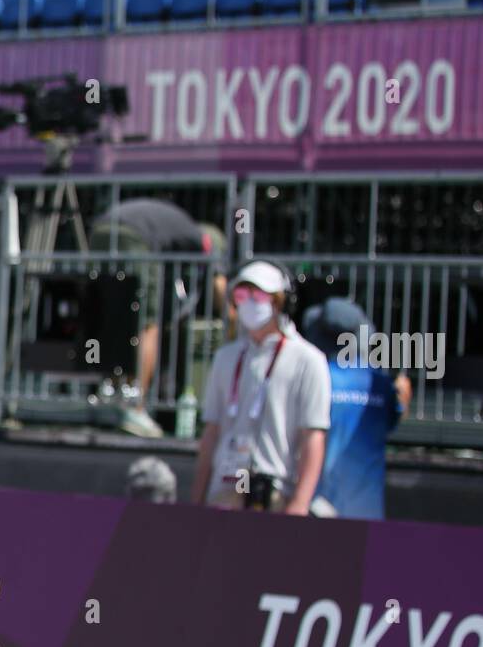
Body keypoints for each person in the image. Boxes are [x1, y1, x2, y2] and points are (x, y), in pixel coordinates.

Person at [192, 259, 331, 513]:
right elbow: (211, 431)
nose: (249, 302)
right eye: (242, 295)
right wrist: (197, 499)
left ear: (280, 301)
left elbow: (313, 436)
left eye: (259, 295)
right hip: (224, 488)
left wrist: (299, 504)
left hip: (275, 492)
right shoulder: (226, 357)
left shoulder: (308, 360)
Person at [88, 198, 224, 436]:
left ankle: (111, 396)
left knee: (112, 317)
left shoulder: (178, 228)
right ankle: (135, 406)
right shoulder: (204, 240)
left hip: (101, 228)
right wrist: (234, 321)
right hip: (132, 236)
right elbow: (219, 286)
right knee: (146, 323)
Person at [302, 298, 409, 520]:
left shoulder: (316, 378)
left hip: (317, 509)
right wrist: (403, 395)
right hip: (365, 513)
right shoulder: (379, 384)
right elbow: (395, 417)